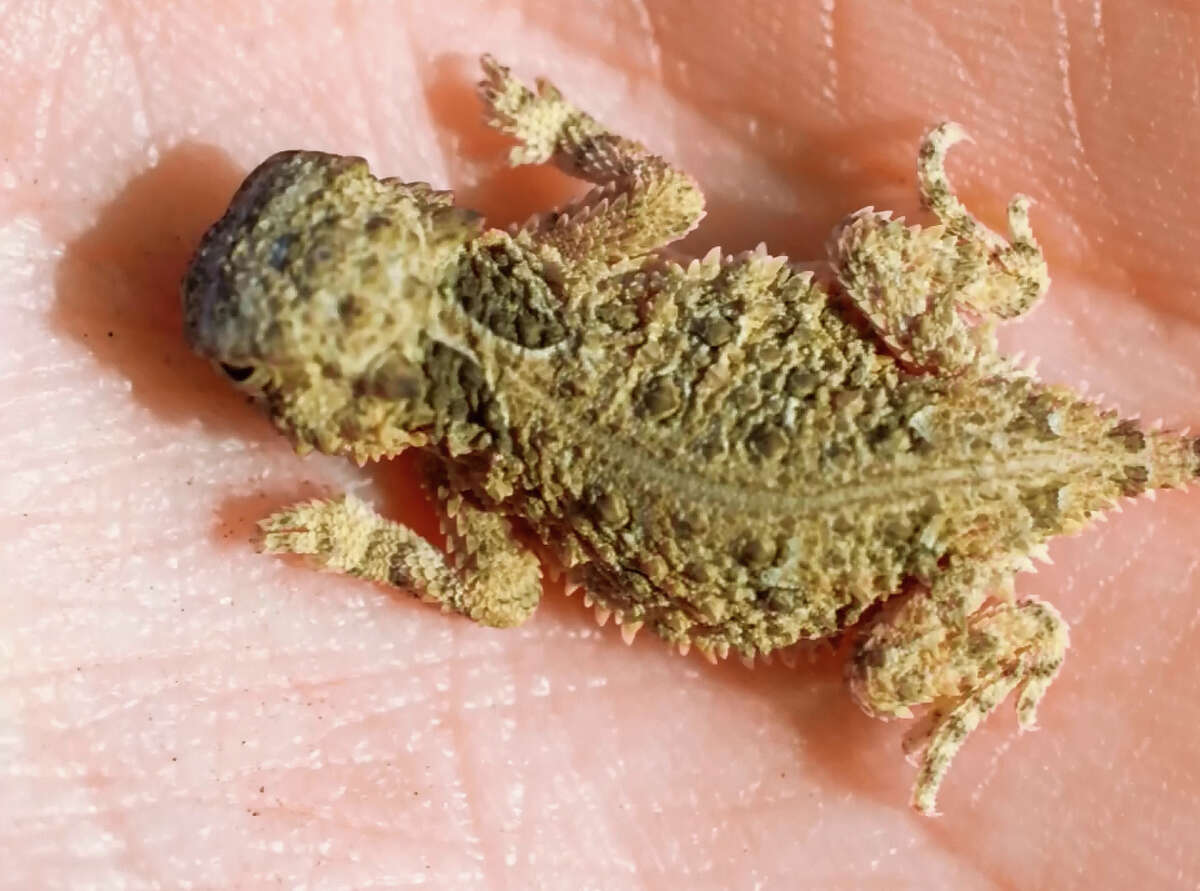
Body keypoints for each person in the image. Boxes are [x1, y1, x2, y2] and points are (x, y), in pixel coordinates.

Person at [3, 1, 1197, 886]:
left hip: (916, 525)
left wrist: (367, 547)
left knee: (886, 674)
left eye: (258, 372)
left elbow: (503, 586)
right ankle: (997, 288)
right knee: (879, 259)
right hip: (908, 412)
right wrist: (560, 130)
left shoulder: (466, 465)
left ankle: (1024, 633)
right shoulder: (537, 307)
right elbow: (665, 200)